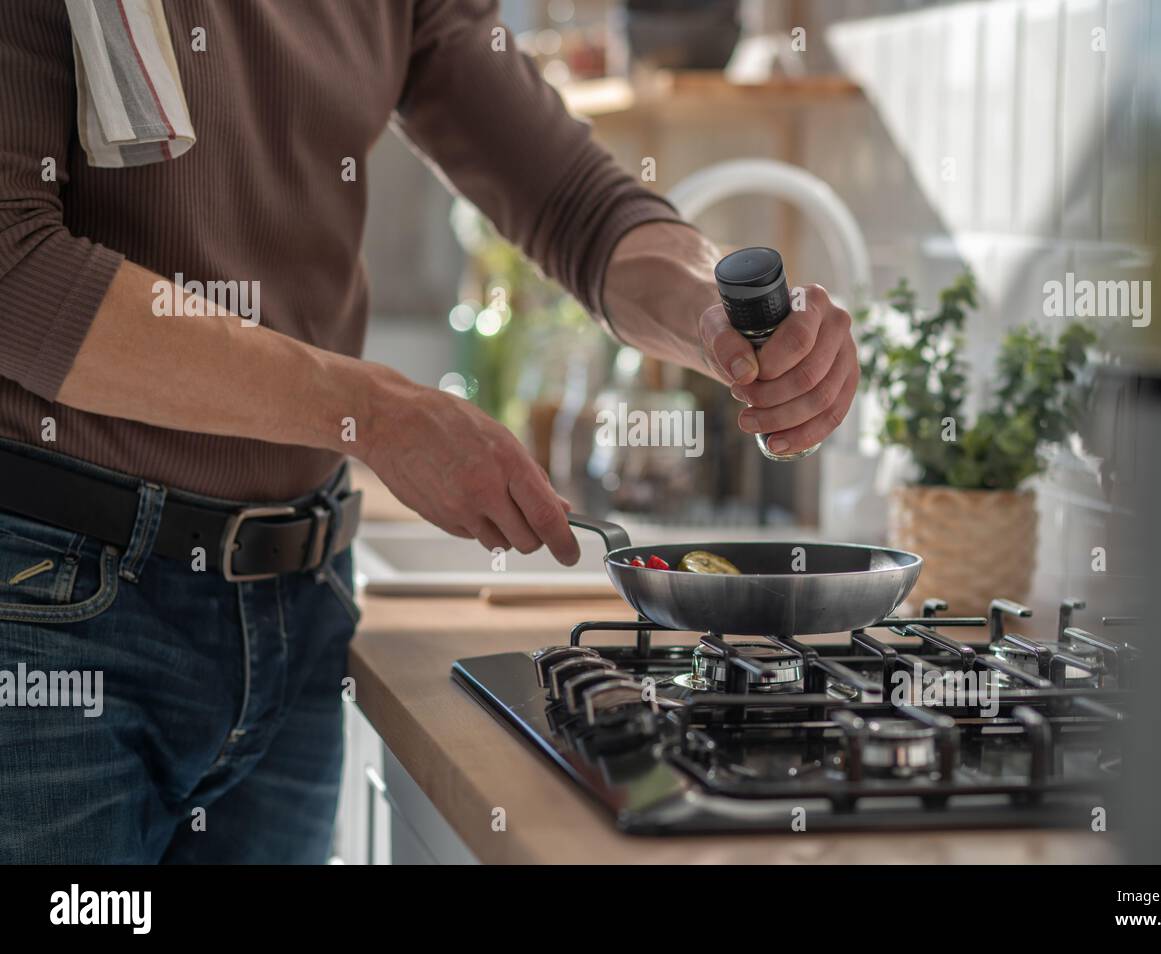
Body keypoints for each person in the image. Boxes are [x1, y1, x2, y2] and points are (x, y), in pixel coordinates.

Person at [0, 0, 857, 863]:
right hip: (52, 602)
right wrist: (372, 413)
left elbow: (574, 201)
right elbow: (13, 268)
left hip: (296, 601)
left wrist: (709, 302)